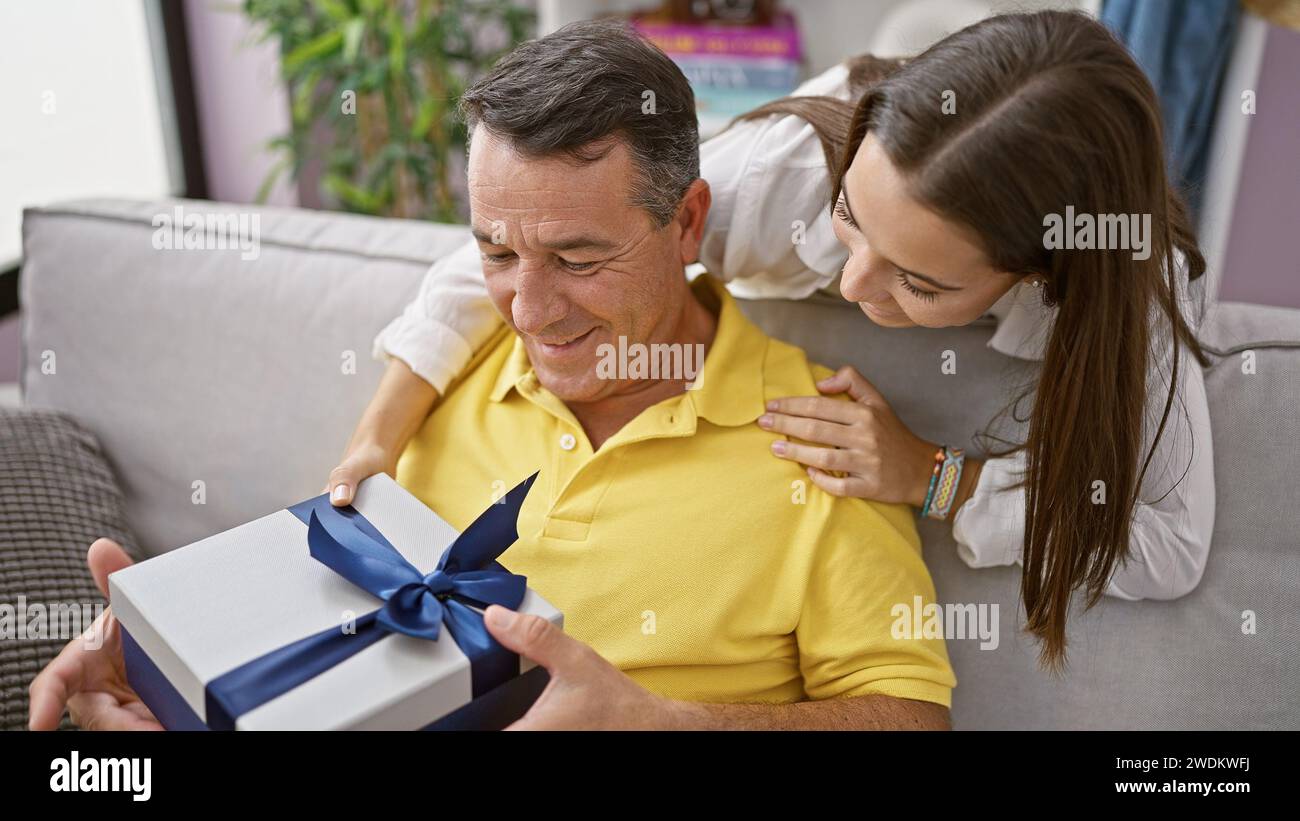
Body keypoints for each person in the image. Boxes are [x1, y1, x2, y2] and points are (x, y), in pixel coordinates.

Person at [30, 20, 953, 732]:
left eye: (580, 258)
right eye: (497, 250)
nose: (528, 311)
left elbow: (910, 717)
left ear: (686, 222)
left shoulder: (826, 441)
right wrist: (161, 668)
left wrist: (661, 721)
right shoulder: (448, 365)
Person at [332, 10, 1215, 669]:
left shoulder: (1129, 294)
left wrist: (940, 476)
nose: (857, 285)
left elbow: (1168, 543)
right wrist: (378, 438)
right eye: (852, 223)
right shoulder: (780, 176)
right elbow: (516, 241)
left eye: (920, 281)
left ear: (1036, 273)